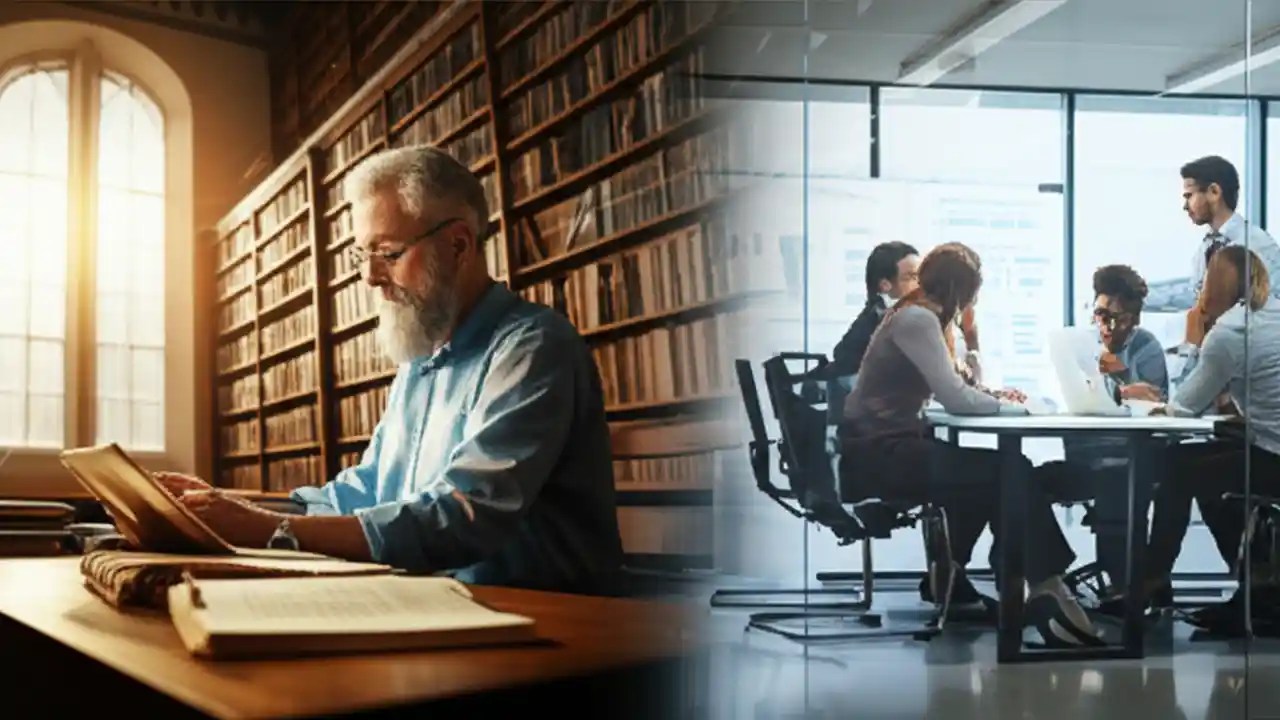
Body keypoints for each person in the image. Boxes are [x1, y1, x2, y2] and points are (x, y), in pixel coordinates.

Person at [157, 145, 625, 595]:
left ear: (458, 245)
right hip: (442, 605)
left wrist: (269, 528)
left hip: (547, 618)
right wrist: (228, 506)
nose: (369, 276)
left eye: (388, 253)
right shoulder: (418, 362)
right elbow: (369, 489)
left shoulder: (533, 348)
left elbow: (465, 517)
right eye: (362, 255)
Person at [838, 242, 1101, 647]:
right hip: (881, 457)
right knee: (1008, 470)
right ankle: (1046, 585)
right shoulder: (917, 320)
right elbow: (956, 398)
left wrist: (985, 377)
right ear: (962, 290)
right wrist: (1014, 409)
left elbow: (957, 385)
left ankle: (959, 577)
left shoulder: (914, 315)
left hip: (883, 449)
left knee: (987, 476)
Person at [1126, 246, 1280, 605]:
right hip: (1266, 444)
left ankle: (1152, 579)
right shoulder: (1272, 313)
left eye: (1204, 282)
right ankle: (1256, 583)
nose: (1198, 290)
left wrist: (1192, 341)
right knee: (1196, 468)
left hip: (1273, 455)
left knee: (1178, 469)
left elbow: (1183, 406)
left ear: (1215, 287)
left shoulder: (1229, 333)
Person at [1037, 265, 1169, 502]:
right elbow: (1073, 398)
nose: (1109, 327)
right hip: (1085, 452)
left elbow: (1155, 408)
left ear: (1134, 319)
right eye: (1102, 315)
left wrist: (1109, 388)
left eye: (1121, 319)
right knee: (1025, 482)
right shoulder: (1078, 343)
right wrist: (1122, 393)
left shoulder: (1145, 347)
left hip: (1134, 454)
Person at [1179, 155, 1280, 348]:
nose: (1185, 206)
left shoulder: (1256, 244)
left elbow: (1268, 310)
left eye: (1189, 196)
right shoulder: (1206, 247)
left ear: (1214, 192)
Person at [830, 241, 921, 378]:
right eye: (911, 277)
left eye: (921, 276)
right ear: (885, 285)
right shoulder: (881, 321)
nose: (920, 284)